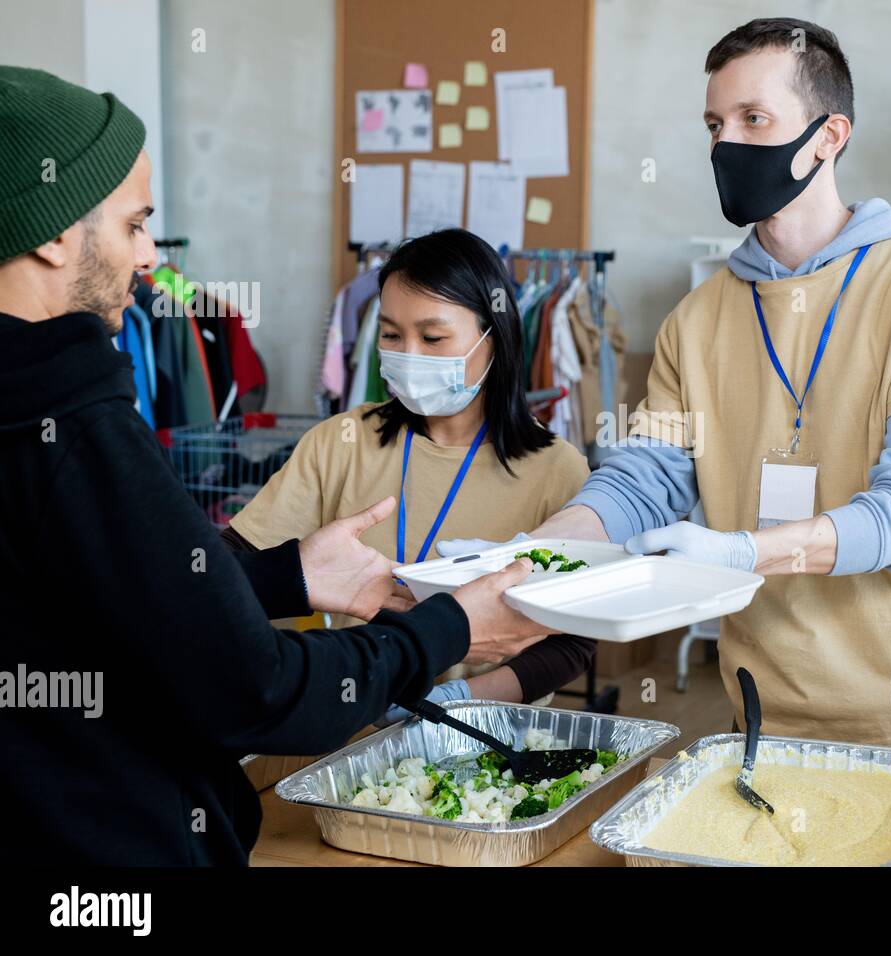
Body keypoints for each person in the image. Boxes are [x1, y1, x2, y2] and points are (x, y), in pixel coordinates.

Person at [444, 18, 891, 796]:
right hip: (764, 726)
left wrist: (745, 553)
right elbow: (641, 482)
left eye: (755, 120)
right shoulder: (698, 317)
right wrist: (526, 560)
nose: (728, 145)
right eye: (716, 124)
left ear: (828, 136)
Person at [0, 65, 548, 865]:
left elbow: (101, 604)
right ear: (53, 232)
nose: (152, 257)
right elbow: (254, 691)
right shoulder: (77, 426)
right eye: (134, 225)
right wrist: (446, 628)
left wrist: (282, 578)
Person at [224, 229, 594, 715]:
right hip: (350, 719)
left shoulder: (558, 469)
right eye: (392, 334)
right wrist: (294, 577)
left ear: (494, 337)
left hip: (490, 739)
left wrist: (458, 701)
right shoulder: (341, 441)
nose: (409, 354)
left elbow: (573, 644)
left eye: (433, 337)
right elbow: (227, 573)